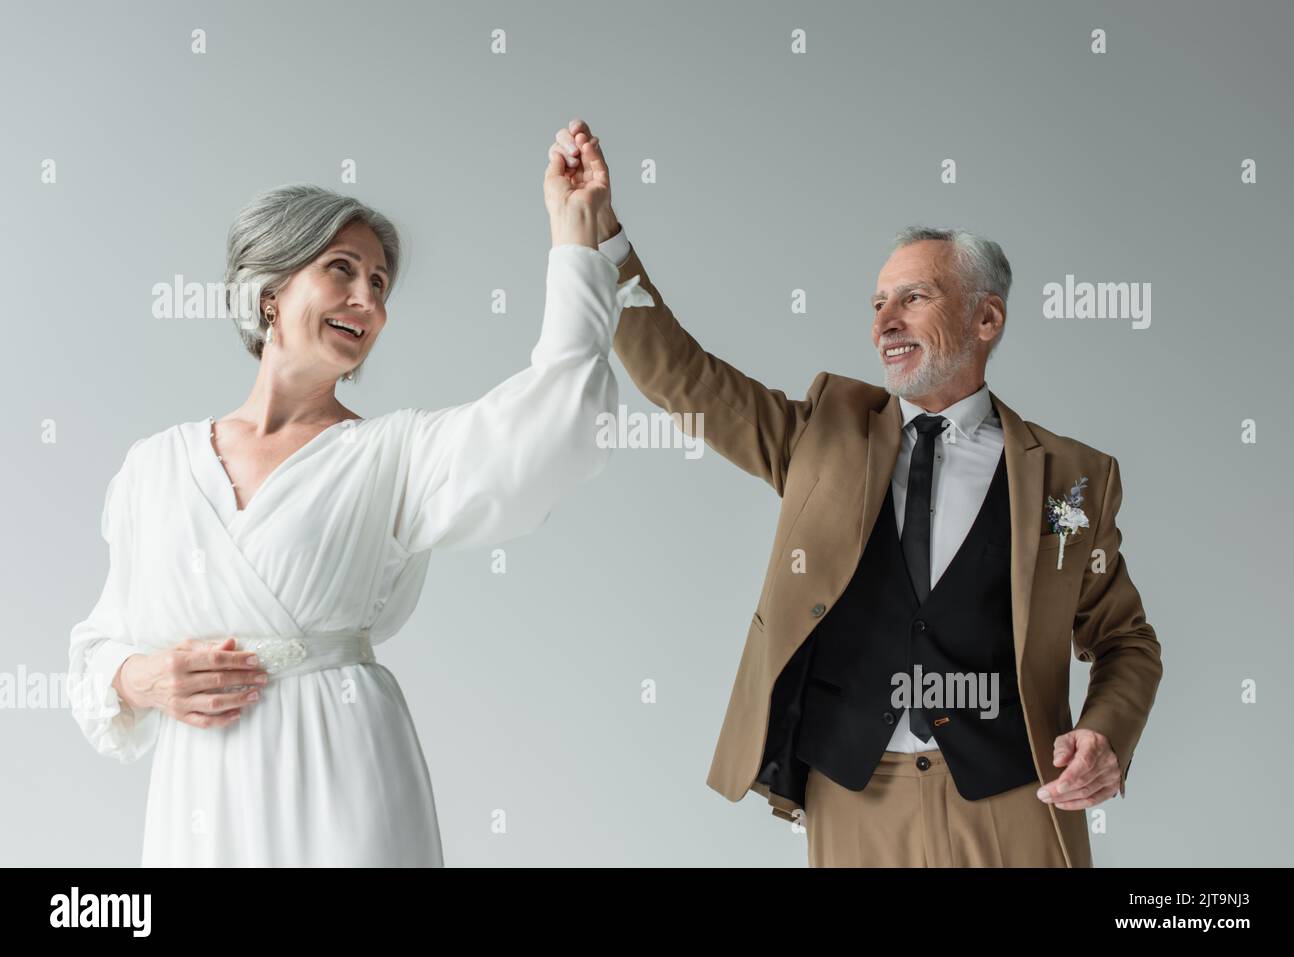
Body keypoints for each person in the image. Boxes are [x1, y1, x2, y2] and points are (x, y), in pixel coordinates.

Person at [554, 117, 1163, 867]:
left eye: (913, 297)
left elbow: (1126, 640)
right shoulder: (826, 434)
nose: (885, 320)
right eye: (877, 302)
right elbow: (684, 377)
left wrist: (1105, 733)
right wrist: (604, 237)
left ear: (986, 318)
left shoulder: (1071, 475)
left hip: (1014, 799)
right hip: (856, 793)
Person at [67, 130, 652, 866]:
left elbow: (559, 418)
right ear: (269, 292)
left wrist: (574, 240)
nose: (366, 299)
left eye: (379, 284)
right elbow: (96, 646)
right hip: (201, 802)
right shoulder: (154, 468)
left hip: (345, 780)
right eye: (341, 269)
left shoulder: (393, 456)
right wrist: (142, 678)